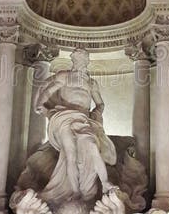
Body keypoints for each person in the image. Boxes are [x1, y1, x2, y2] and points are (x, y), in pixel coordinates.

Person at [34, 48, 116, 203]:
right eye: (78, 59)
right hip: (65, 117)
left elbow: (100, 103)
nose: (81, 62)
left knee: (91, 145)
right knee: (70, 154)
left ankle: (105, 183)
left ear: (87, 62)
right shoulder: (65, 76)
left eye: (84, 59)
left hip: (83, 118)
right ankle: (75, 192)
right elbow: (48, 90)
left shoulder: (91, 83)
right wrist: (40, 104)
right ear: (73, 60)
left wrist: (96, 114)